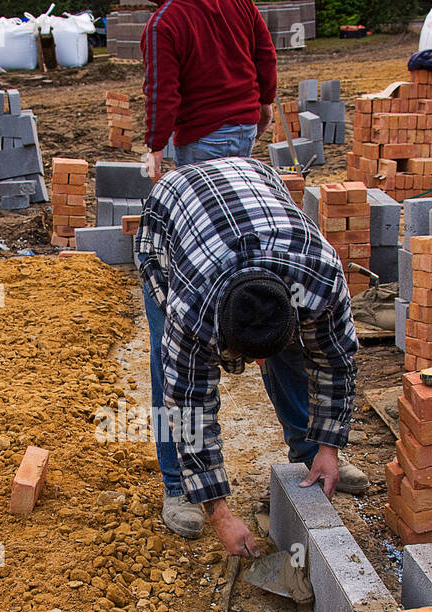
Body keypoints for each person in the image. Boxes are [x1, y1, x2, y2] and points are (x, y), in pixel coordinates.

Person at [134, 157, 367, 554]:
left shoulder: (319, 277)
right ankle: (177, 486)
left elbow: (336, 361)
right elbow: (190, 404)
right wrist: (218, 511)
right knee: (167, 371)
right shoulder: (191, 308)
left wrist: (330, 445)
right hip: (170, 219)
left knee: (295, 359)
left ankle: (311, 454)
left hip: (253, 185)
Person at [140, 0, 278, 179]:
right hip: (245, 128)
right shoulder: (239, 2)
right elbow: (266, 55)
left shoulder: (163, 23)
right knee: (233, 200)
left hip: (202, 135)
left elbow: (162, 92)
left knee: (202, 204)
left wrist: (156, 146)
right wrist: (266, 102)